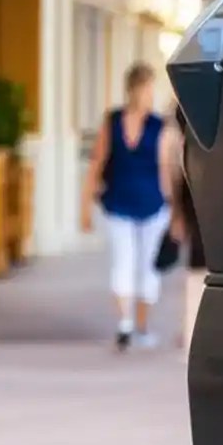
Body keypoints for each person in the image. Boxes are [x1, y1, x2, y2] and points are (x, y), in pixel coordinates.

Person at [81, 62, 175, 351]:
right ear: (132, 89)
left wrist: (175, 211)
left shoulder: (160, 126)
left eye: (150, 88)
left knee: (148, 266)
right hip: (118, 203)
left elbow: (165, 169)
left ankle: (142, 327)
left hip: (153, 205)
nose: (148, 94)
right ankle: (125, 324)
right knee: (123, 261)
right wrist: (84, 206)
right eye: (144, 88)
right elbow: (97, 163)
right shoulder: (112, 121)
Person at [168, 105, 205, 357]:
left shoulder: (185, 147)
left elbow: (177, 181)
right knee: (199, 274)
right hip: (206, 210)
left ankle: (192, 333)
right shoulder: (205, 145)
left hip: (195, 209)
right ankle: (193, 334)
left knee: (196, 275)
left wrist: (177, 215)